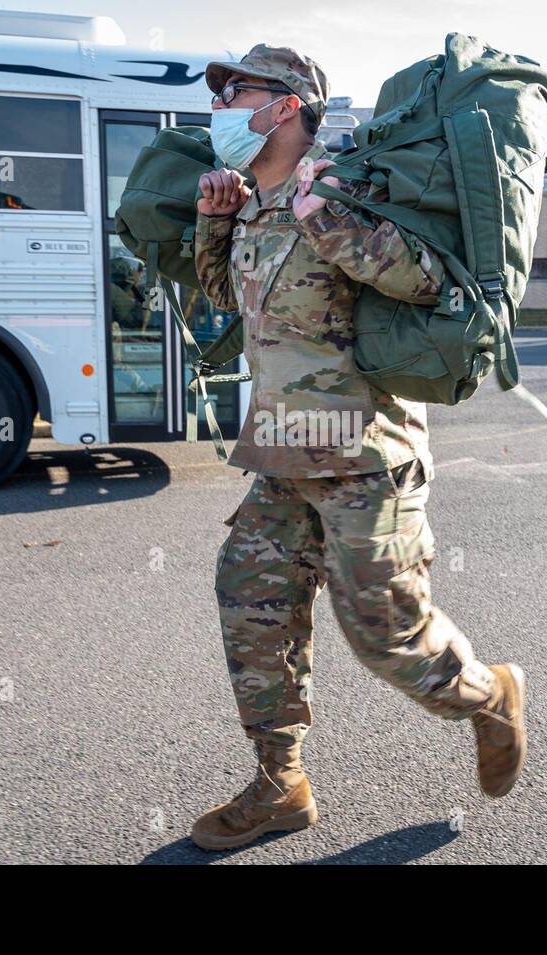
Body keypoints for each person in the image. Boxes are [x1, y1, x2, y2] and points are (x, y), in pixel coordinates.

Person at [188, 44, 526, 852]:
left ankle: (489, 695)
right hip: (279, 454)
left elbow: (428, 281)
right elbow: (225, 299)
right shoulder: (251, 204)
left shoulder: (344, 187)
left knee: (387, 635)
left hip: (364, 454)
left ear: (289, 106)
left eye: (241, 93)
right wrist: (213, 221)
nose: (225, 106)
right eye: (223, 94)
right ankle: (281, 784)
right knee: (251, 610)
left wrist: (327, 219)